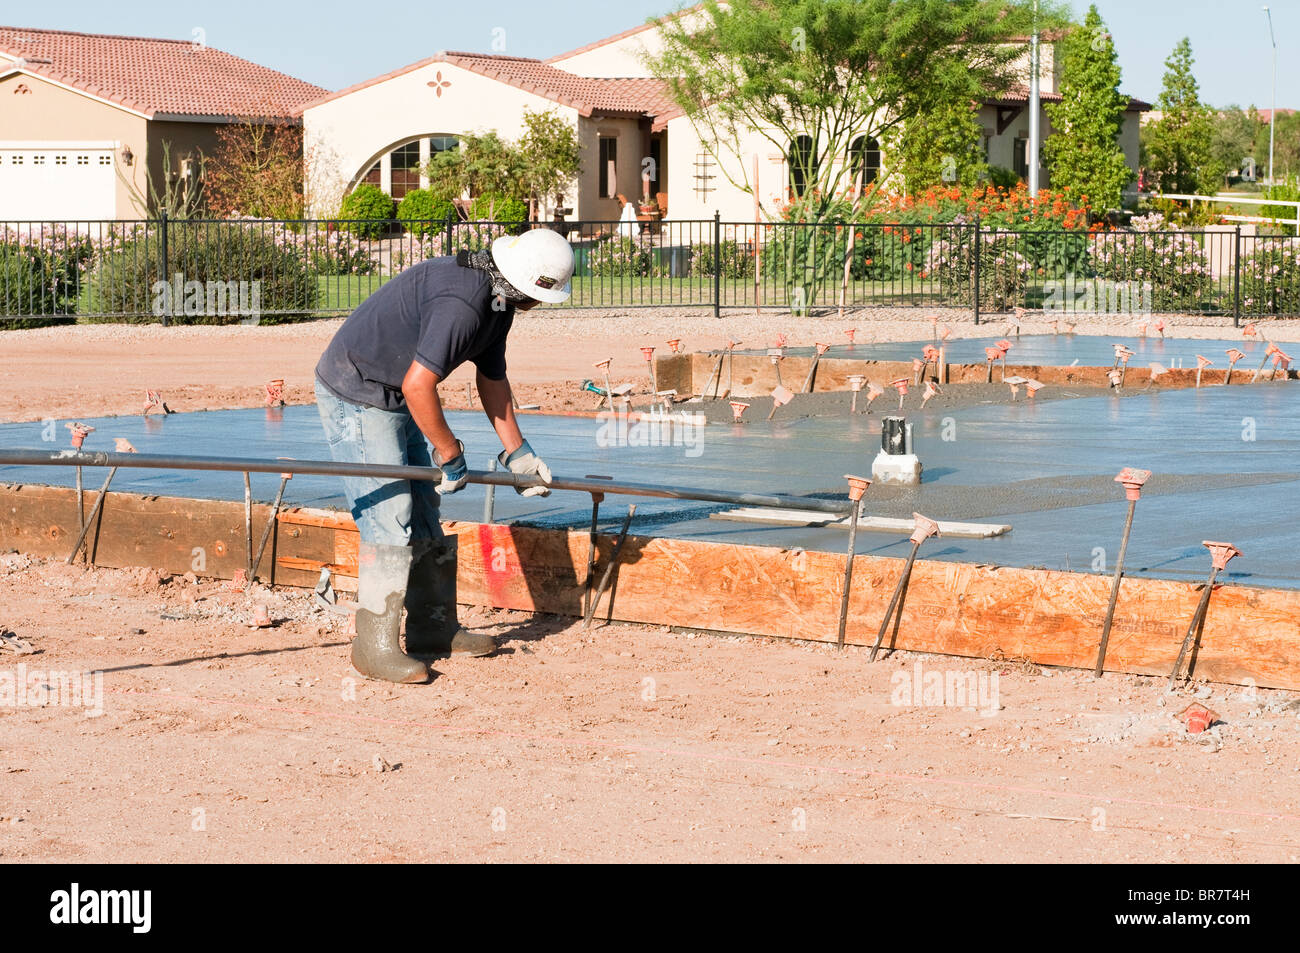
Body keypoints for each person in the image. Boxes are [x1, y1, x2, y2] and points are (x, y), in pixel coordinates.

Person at [313, 229, 575, 684]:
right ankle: (372, 647)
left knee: (424, 507)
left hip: (396, 389)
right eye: (535, 295)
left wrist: (519, 453)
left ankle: (433, 626)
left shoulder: (498, 304)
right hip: (356, 388)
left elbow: (492, 381)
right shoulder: (463, 304)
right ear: (517, 284)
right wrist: (450, 452)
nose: (535, 304)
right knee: (389, 515)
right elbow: (420, 385)